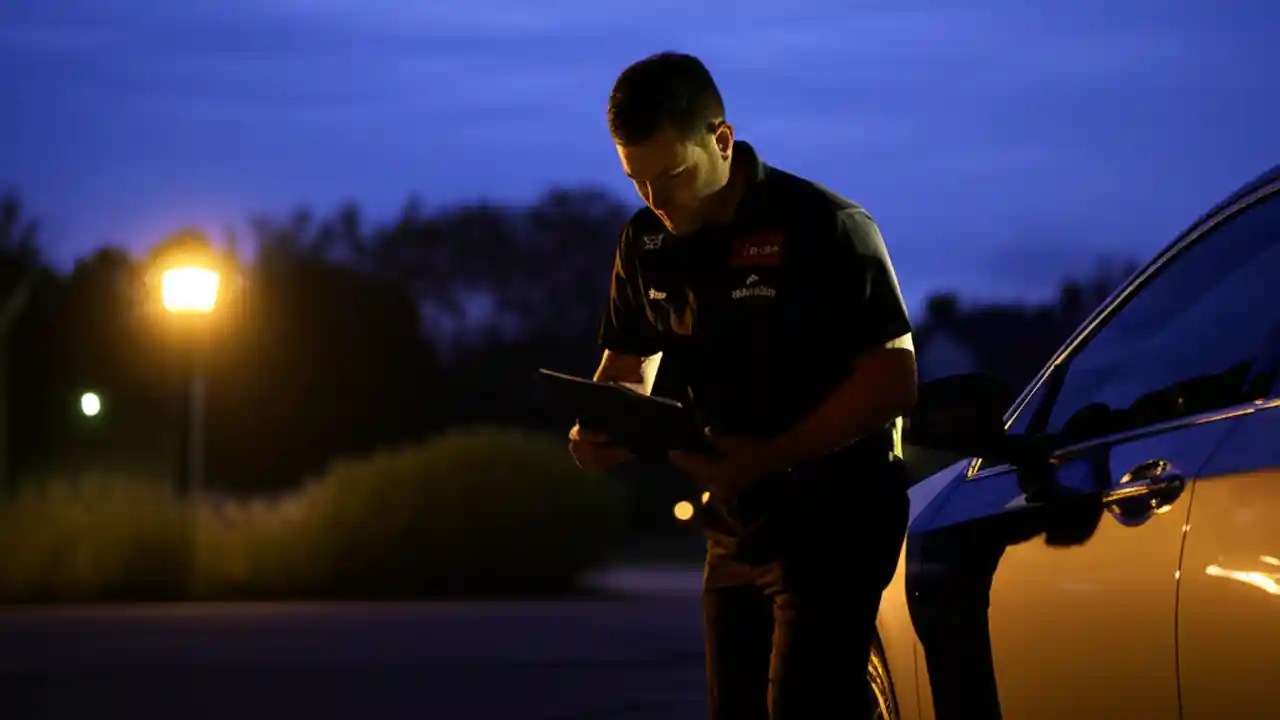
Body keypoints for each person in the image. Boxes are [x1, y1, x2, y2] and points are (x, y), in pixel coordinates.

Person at [567, 51, 918, 719]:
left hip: (837, 516)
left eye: (671, 176)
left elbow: (893, 381)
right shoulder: (645, 243)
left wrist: (770, 454)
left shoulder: (824, 226)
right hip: (733, 522)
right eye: (637, 181)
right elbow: (628, 369)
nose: (655, 201)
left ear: (722, 141)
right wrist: (605, 427)